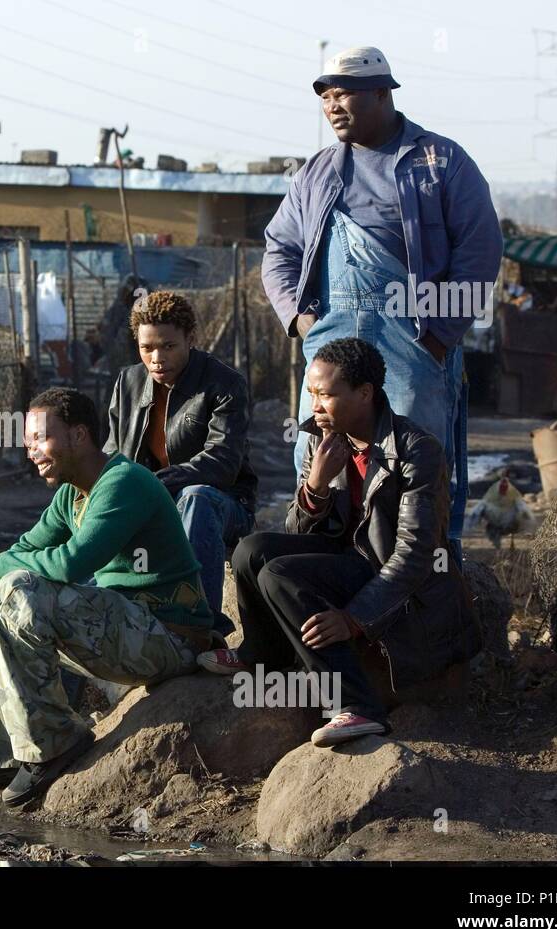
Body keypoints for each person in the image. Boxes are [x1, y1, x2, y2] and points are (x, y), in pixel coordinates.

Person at [261, 45, 503, 547]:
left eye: (343, 92)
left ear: (381, 94)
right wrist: (302, 323)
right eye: (325, 96)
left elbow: (479, 253)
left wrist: (437, 337)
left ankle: (419, 571)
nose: (332, 105)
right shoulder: (316, 172)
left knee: (414, 455)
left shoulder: (441, 161)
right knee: (319, 451)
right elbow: (279, 248)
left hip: (411, 337)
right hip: (332, 337)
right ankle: (323, 560)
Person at [0, 387, 212, 807]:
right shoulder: (71, 493)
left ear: (79, 435)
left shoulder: (124, 482)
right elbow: (23, 548)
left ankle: (55, 742)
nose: (32, 452)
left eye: (40, 439)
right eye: (28, 442)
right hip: (123, 630)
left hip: (167, 638)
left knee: (18, 587)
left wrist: (4, 567)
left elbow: (72, 563)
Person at [201, 339, 480, 746]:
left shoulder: (416, 451)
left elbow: (414, 556)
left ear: (364, 393)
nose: (315, 405)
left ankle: (358, 705)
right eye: (311, 393)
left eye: (327, 394)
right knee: (251, 551)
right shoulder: (323, 437)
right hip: (347, 558)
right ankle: (262, 656)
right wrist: (314, 485)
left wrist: (353, 619)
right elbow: (298, 535)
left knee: (280, 575)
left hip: (387, 575)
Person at [103, 290, 256, 635]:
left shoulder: (224, 384)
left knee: (197, 497)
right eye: (147, 348)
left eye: (168, 346)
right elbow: (112, 454)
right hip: (154, 503)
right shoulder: (128, 382)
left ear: (190, 339)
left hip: (224, 505)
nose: (157, 358)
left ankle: (202, 626)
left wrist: (155, 484)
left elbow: (223, 462)